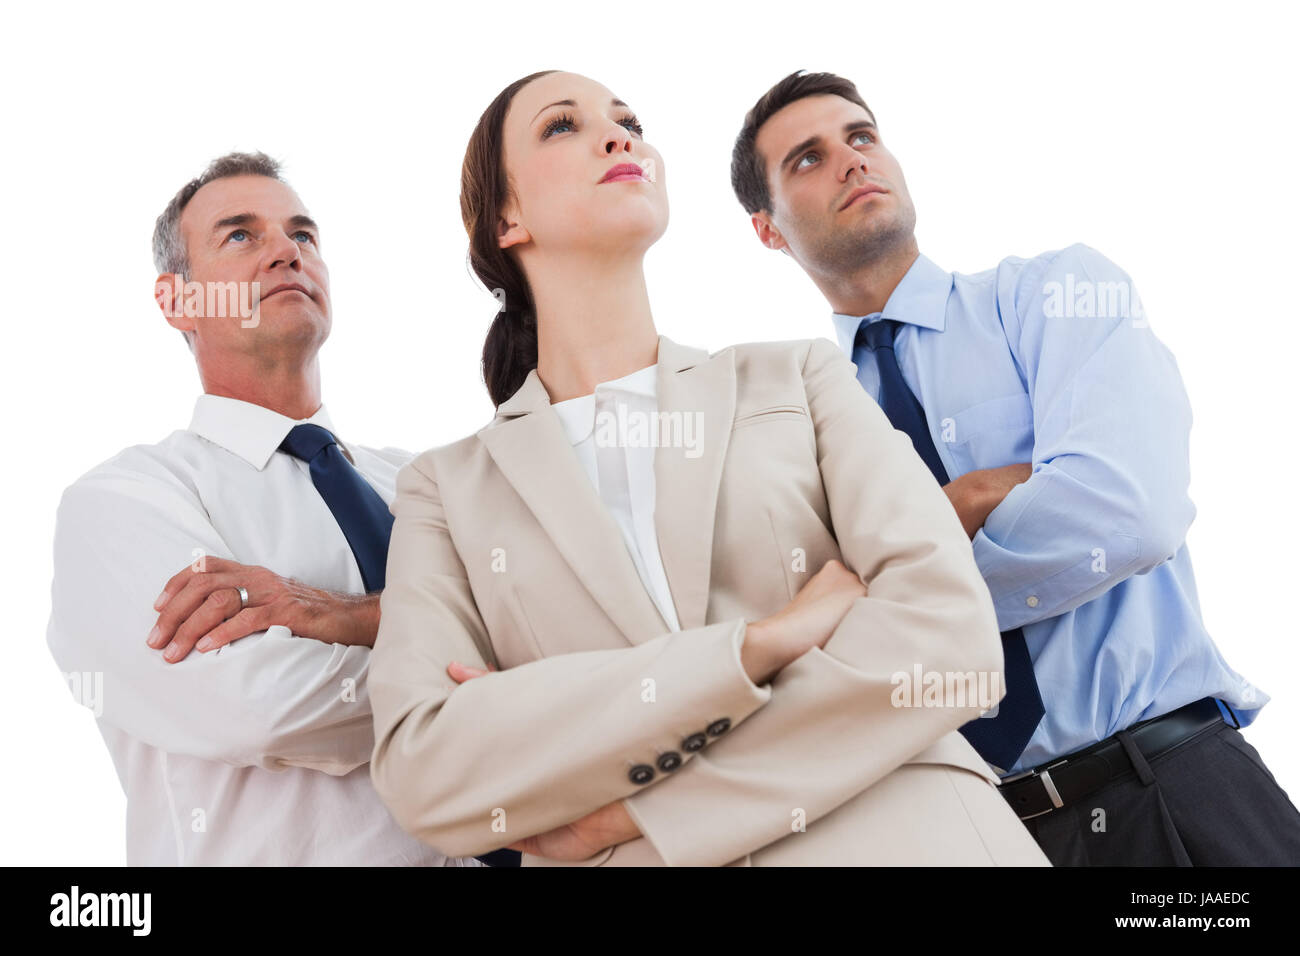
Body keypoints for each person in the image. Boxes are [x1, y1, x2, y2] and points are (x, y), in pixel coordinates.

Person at [366, 70, 1051, 867]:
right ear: (504, 217)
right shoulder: (444, 491)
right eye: (563, 126)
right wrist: (760, 644)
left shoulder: (796, 379)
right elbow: (428, 771)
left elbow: (951, 644)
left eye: (628, 119)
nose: (620, 135)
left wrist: (639, 811)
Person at [730, 69, 1300, 865]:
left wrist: (897, 592)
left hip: (1173, 790)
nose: (853, 160)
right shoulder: (799, 437)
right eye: (808, 158)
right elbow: (810, 658)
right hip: (987, 840)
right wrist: (975, 498)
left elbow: (1126, 511)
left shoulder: (1054, 294)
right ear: (768, 230)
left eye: (862, 136)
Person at [45, 152, 482, 866]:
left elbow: (557, 635)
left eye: (304, 235)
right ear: (177, 300)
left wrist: (344, 617)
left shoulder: (426, 483)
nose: (287, 251)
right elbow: (261, 710)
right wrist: (489, 685)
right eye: (241, 236)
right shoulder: (123, 503)